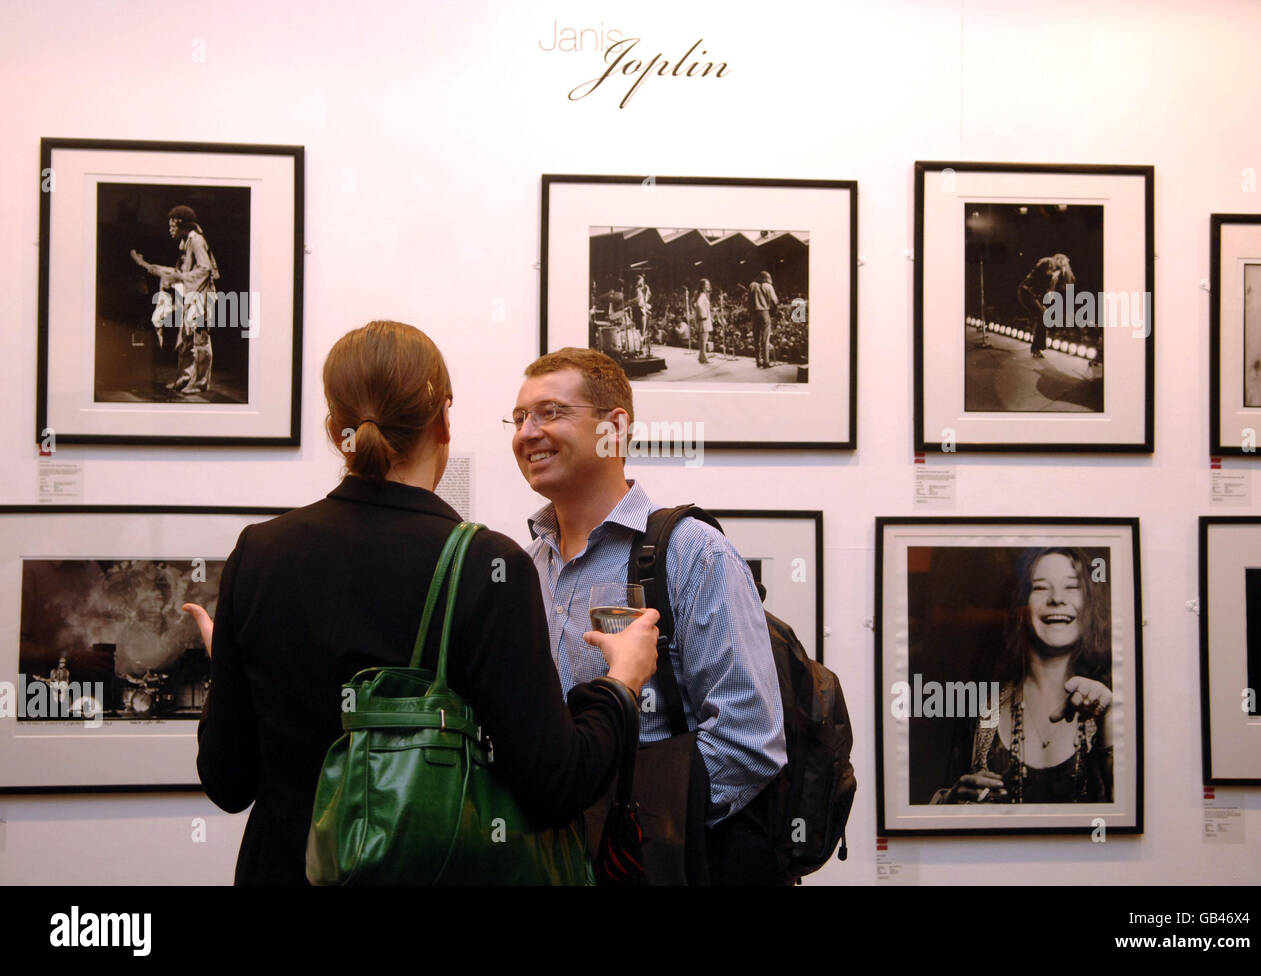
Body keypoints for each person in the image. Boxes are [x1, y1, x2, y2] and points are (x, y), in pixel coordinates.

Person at [192, 321, 659, 885]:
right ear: (443, 418)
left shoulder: (258, 553)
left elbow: (228, 783)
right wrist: (621, 685)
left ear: (333, 426)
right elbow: (554, 785)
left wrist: (229, 668)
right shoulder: (487, 565)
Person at [508, 347, 787, 883]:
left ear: (613, 428)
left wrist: (634, 831)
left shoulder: (691, 553)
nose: (526, 432)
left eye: (550, 412)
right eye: (519, 418)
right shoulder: (525, 567)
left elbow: (749, 741)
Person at [934, 547, 1113, 804]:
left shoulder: (1114, 704)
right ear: (1020, 606)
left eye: (1072, 587)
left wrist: (1110, 721)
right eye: (1040, 587)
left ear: (1090, 606)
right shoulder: (983, 709)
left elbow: (1133, 816)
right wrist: (950, 803)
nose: (1056, 599)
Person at [130, 205, 219, 395]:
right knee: (186, 338)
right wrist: (146, 265)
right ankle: (185, 378)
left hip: (203, 294)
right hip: (193, 293)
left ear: (182, 225)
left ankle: (201, 382)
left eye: (172, 226)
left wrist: (180, 279)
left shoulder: (196, 241)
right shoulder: (186, 242)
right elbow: (179, 271)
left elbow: (205, 269)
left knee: (200, 338)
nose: (170, 229)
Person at [1017, 253, 1074, 360]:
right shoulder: (1049, 262)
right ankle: (1036, 348)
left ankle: (1037, 348)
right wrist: (1055, 275)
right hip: (1026, 291)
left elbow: (1048, 292)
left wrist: (1043, 304)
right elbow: (1044, 274)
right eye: (1064, 264)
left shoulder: (1053, 274)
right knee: (1043, 317)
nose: (1064, 267)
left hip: (1033, 295)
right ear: (1060, 260)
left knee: (1043, 317)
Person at [748, 271, 780, 368]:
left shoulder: (752, 285)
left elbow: (748, 301)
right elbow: (775, 301)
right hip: (764, 313)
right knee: (765, 339)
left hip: (754, 314)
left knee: (756, 339)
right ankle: (766, 362)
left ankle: (758, 361)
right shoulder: (768, 286)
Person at [694, 278, 713, 364]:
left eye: (708, 284)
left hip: (704, 319)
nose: (708, 286)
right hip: (704, 319)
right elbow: (698, 305)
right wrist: (703, 315)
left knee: (702, 340)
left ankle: (701, 357)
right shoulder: (702, 295)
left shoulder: (702, 294)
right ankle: (703, 357)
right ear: (703, 286)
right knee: (703, 340)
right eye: (706, 284)